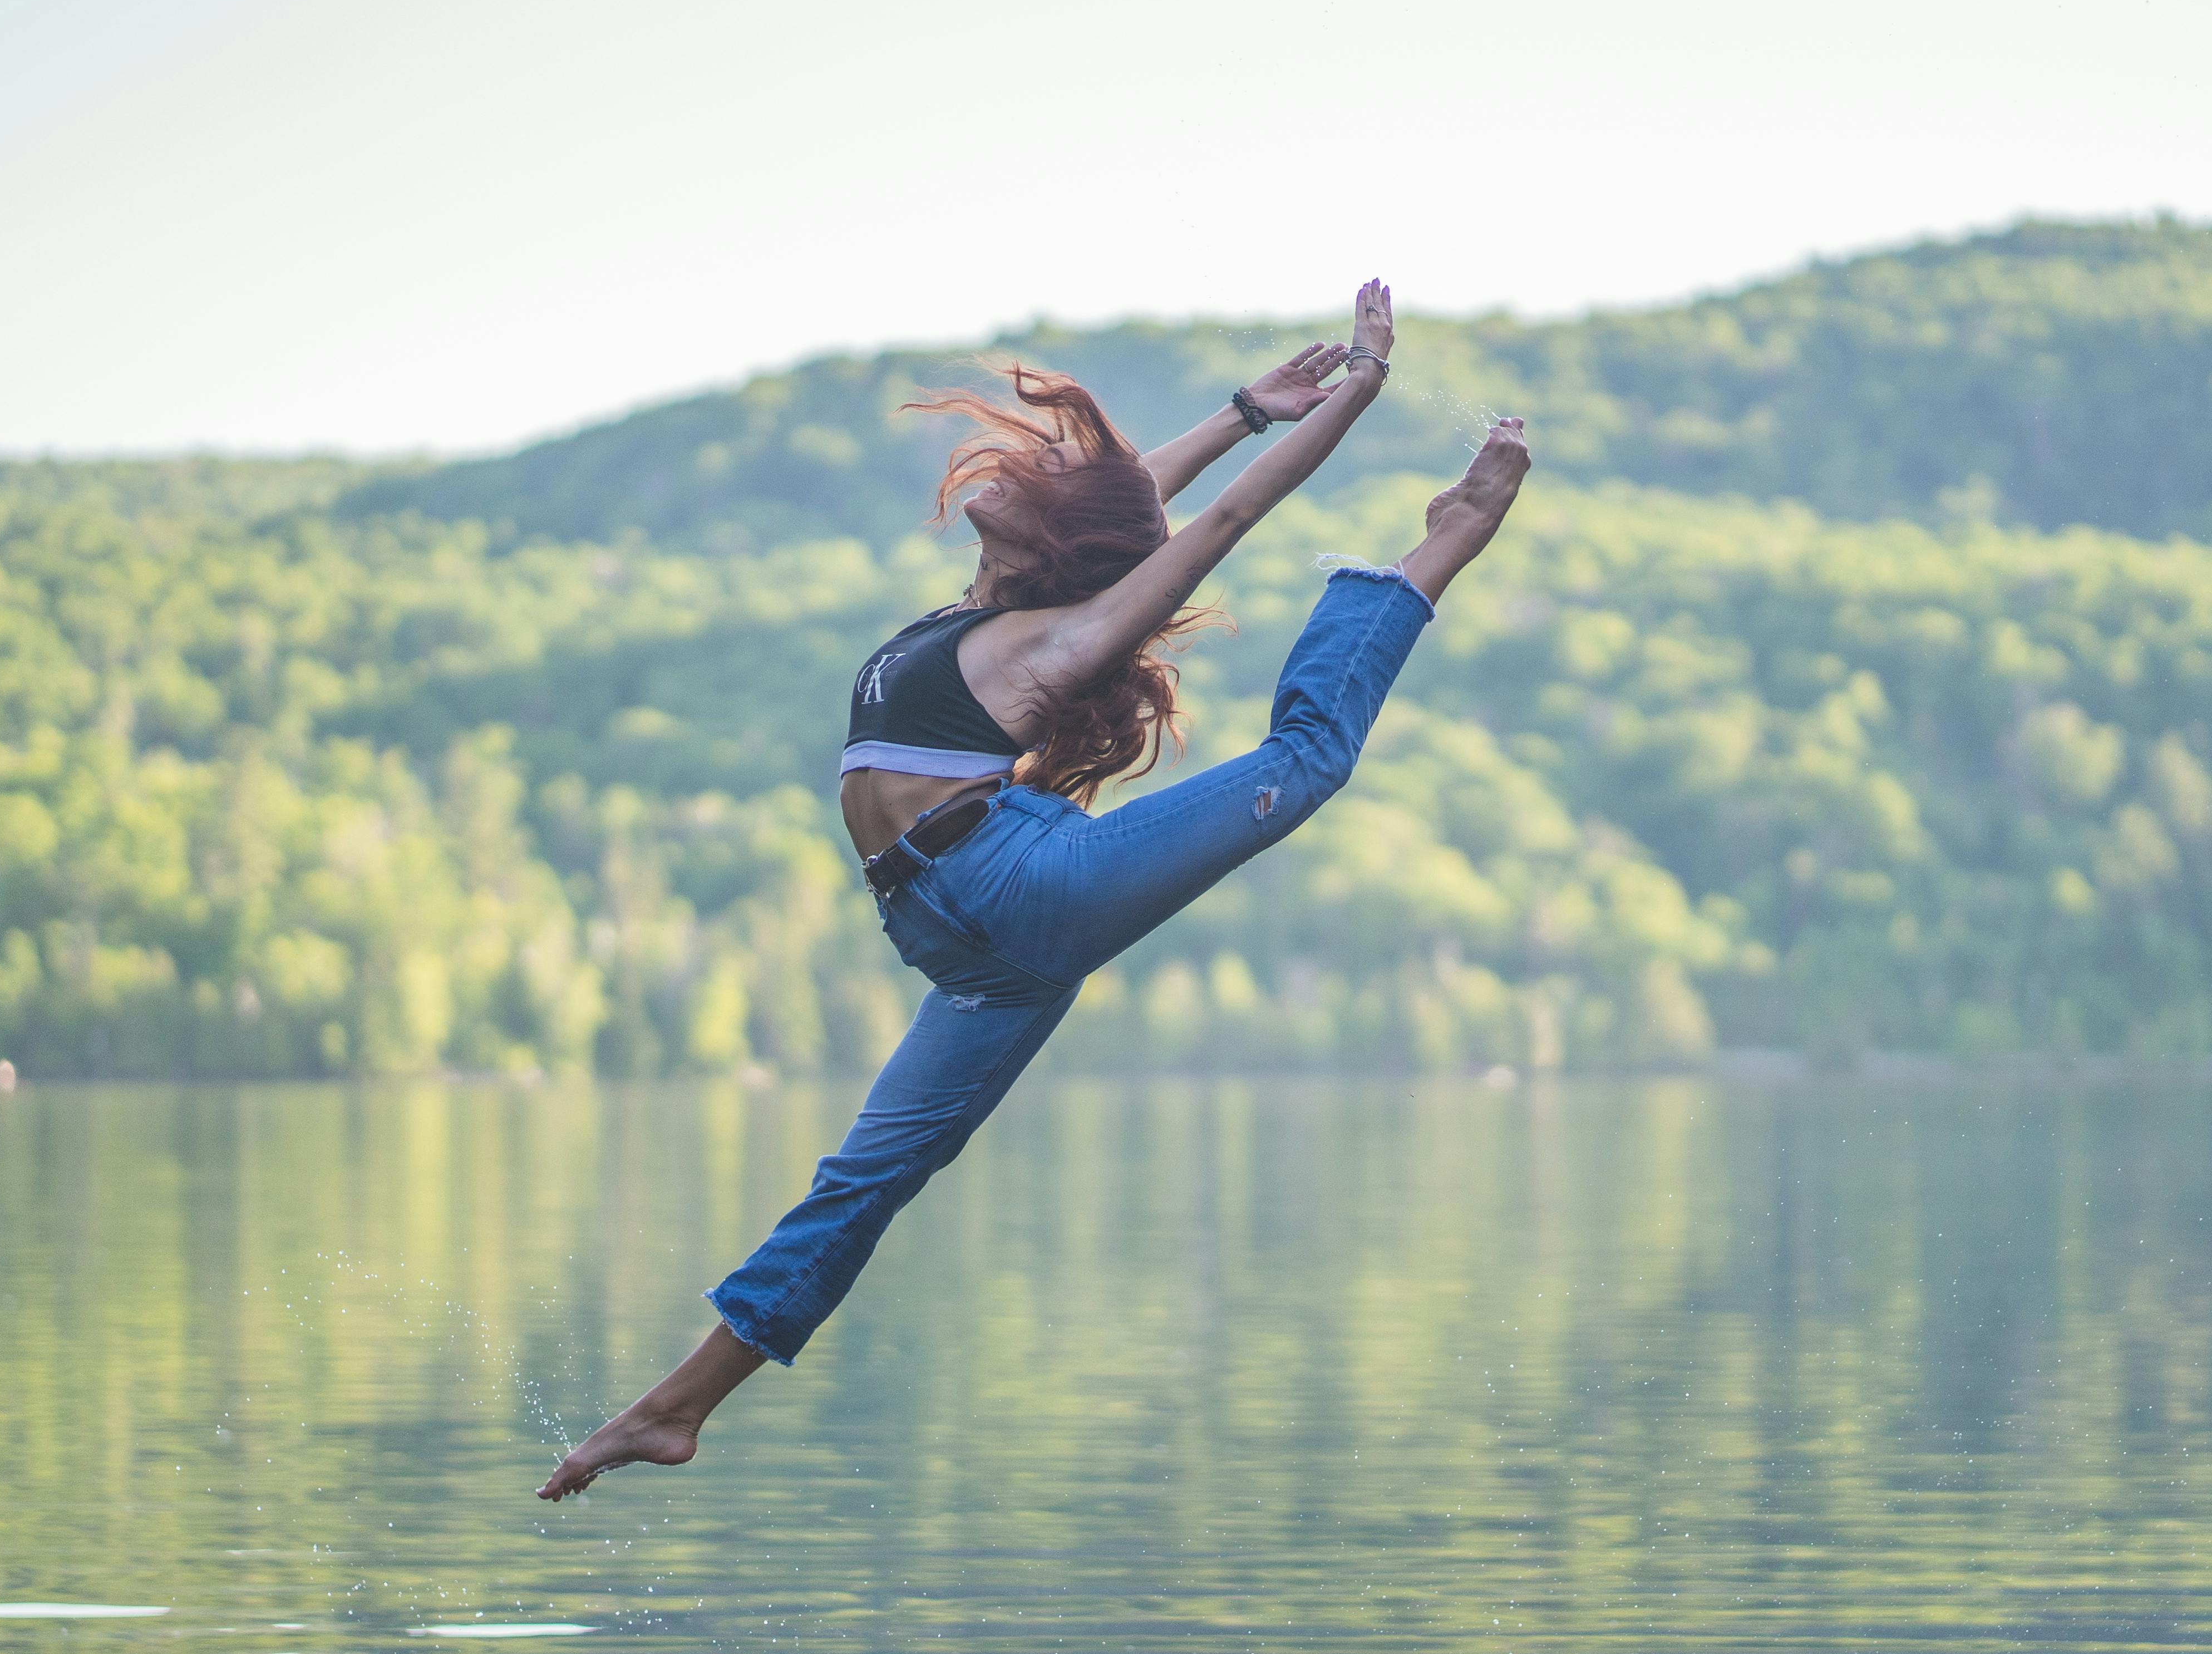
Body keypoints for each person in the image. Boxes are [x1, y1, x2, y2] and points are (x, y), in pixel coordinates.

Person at [539, 280, 1529, 1501]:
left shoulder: (1051, 644)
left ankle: (1442, 544)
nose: (1009, 475)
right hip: (962, 945)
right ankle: (677, 1408)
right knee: (864, 1181)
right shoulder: (983, 611)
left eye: (1044, 480)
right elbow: (1133, 511)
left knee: (1299, 765)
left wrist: (1356, 396)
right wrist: (1240, 408)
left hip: (1016, 881)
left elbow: (1215, 524)